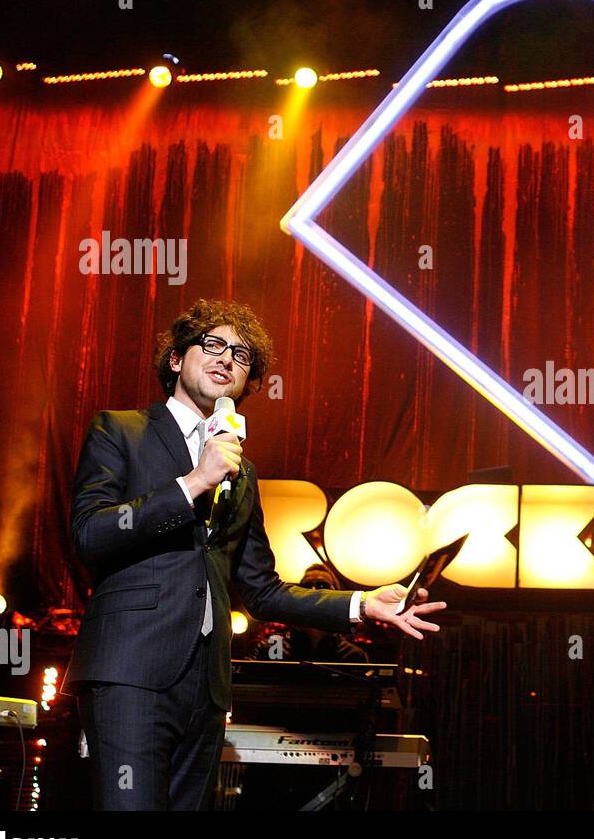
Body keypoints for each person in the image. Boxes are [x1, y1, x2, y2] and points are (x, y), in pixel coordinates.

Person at [62, 299, 446, 810]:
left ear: (247, 384)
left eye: (241, 356)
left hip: (205, 684)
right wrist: (194, 481)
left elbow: (262, 591)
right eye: (213, 345)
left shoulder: (242, 472)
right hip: (131, 671)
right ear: (176, 360)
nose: (226, 359)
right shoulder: (121, 430)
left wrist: (362, 604)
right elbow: (91, 533)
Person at [249, 563, 371, 663]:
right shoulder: (273, 648)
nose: (313, 591)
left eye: (322, 585)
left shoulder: (353, 656)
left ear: (337, 594)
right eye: (306, 586)